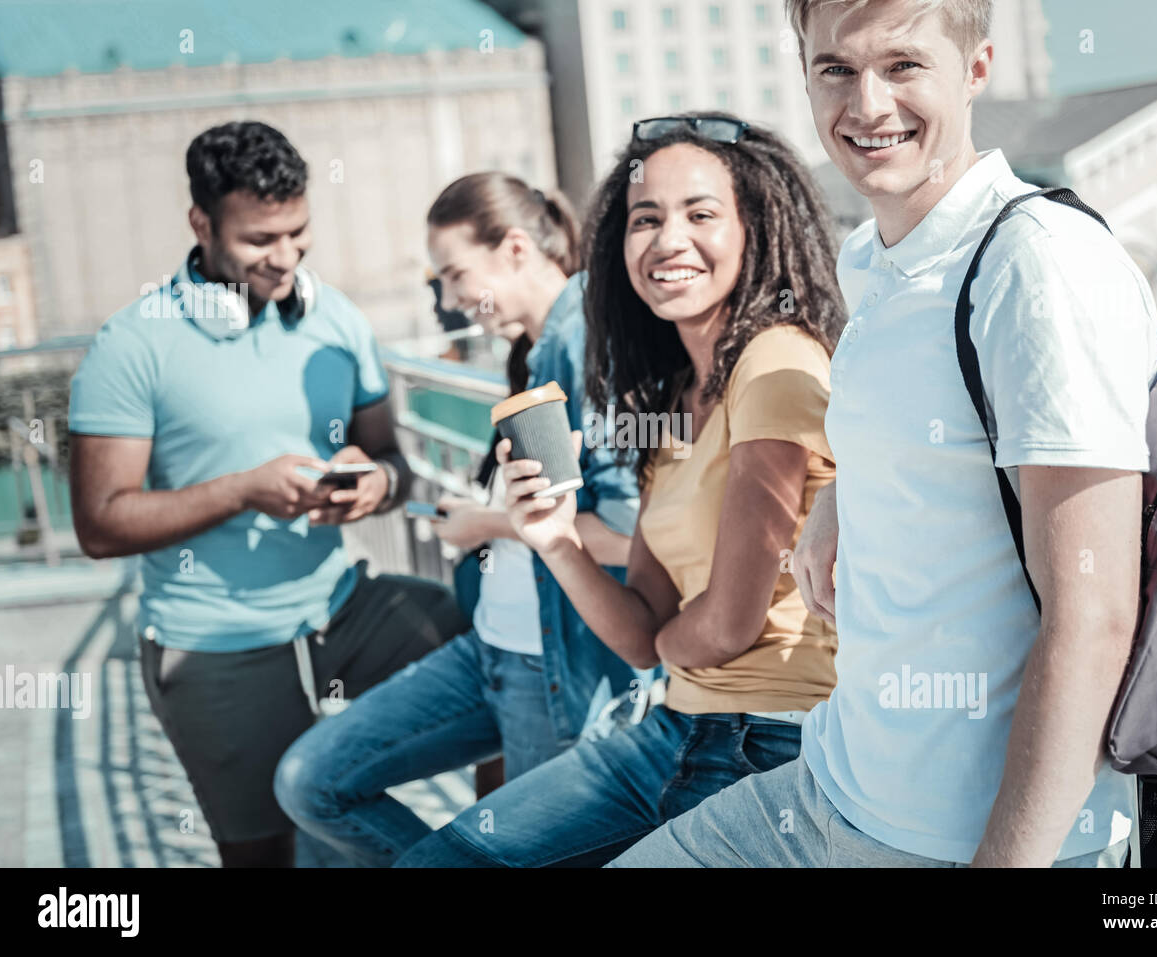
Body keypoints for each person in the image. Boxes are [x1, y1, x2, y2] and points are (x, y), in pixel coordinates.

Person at [612, 0, 1157, 868]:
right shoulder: (873, 260)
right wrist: (843, 493)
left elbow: (1093, 616)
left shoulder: (1037, 264)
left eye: (903, 66)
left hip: (953, 839)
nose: (866, 105)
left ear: (976, 69)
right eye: (836, 69)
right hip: (829, 783)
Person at [393, 113, 848, 867]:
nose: (668, 240)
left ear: (754, 228)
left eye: (701, 214)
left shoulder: (774, 362)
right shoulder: (668, 397)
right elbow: (642, 631)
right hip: (676, 724)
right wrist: (556, 539)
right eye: (646, 218)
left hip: (772, 738)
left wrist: (672, 646)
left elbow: (729, 622)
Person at [67, 120, 466, 868]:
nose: (284, 258)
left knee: (503, 653)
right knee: (262, 857)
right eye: (260, 240)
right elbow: (99, 523)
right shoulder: (130, 345)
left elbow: (393, 461)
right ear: (201, 223)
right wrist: (243, 490)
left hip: (347, 611)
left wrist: (376, 484)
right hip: (215, 646)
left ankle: (490, 852)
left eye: (298, 233)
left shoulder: (338, 317)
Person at [272, 172, 647, 866]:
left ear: (513, 249)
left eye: (454, 275)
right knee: (310, 780)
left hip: (551, 673)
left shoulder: (587, 339)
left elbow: (627, 533)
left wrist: (486, 525)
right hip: (491, 651)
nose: (448, 299)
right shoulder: (540, 351)